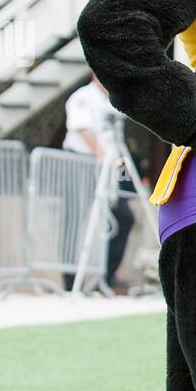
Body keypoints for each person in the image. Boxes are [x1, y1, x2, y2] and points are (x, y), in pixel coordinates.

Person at [64, 77, 136, 292]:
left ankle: (107, 275)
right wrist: (100, 154)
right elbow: (82, 129)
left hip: (109, 168)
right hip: (82, 162)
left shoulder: (111, 100)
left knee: (123, 217)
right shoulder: (82, 97)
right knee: (75, 220)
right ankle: (70, 280)